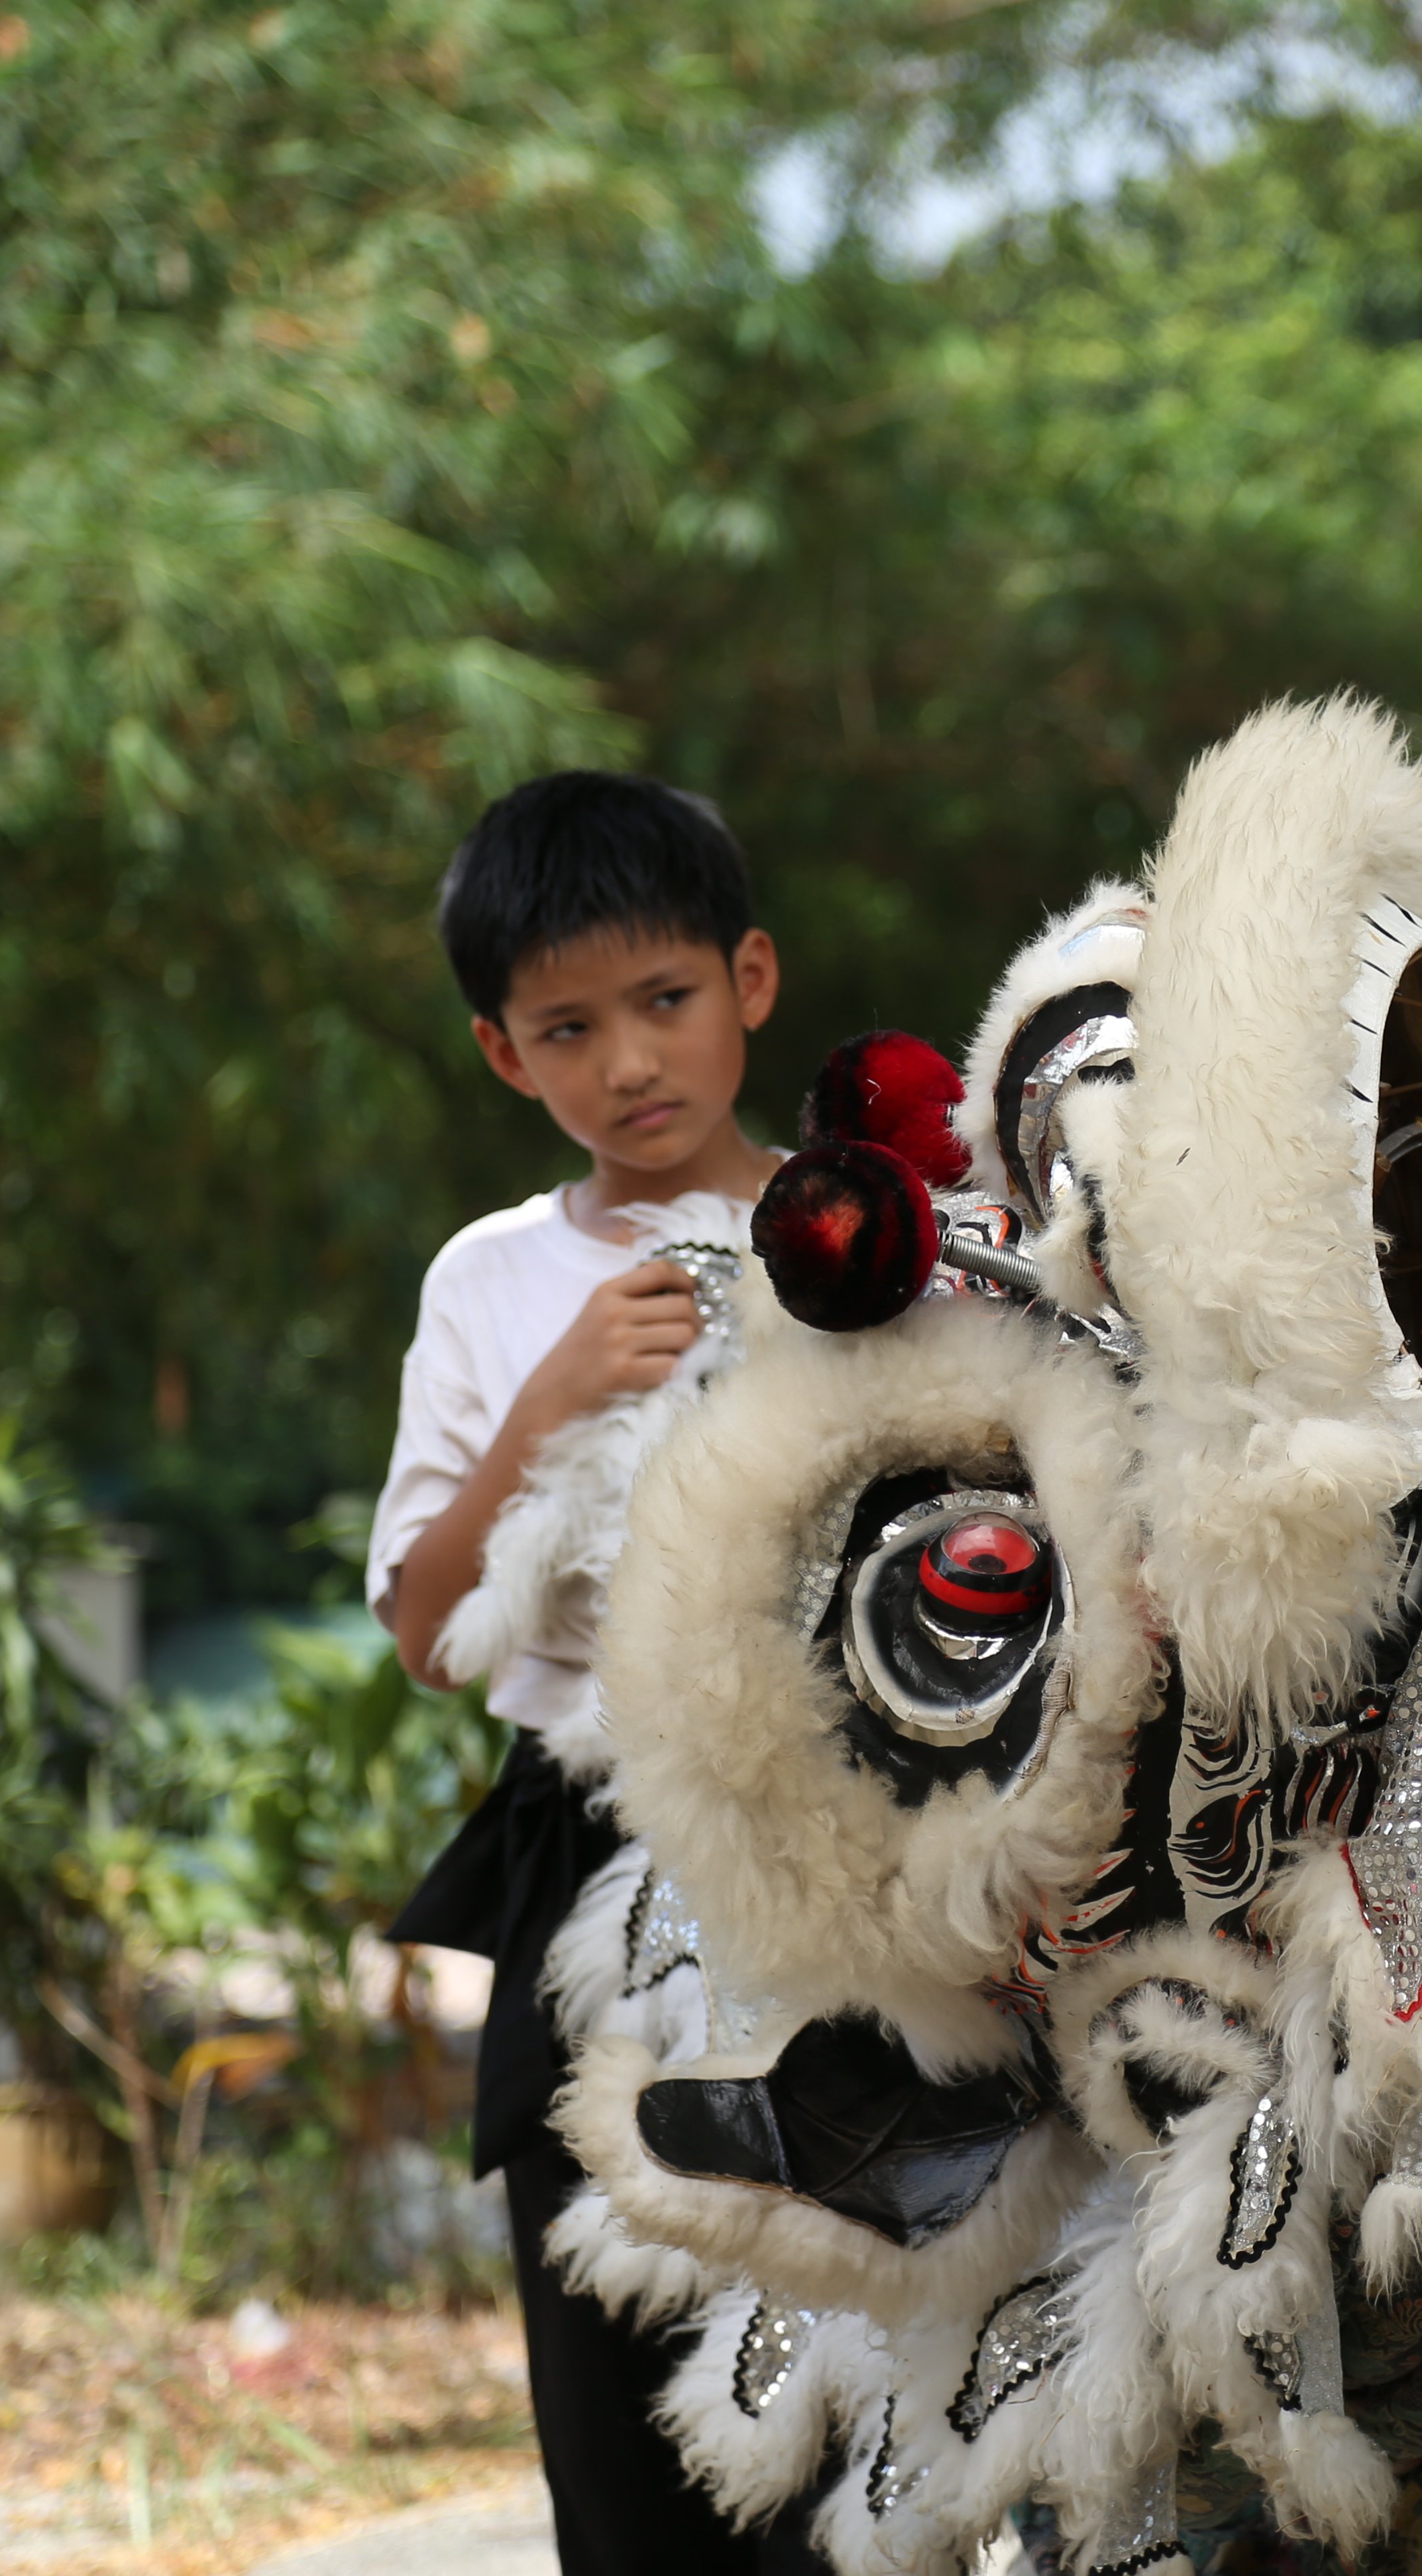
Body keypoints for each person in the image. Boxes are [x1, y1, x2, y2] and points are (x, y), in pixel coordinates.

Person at [366, 771, 799, 2576]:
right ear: (502, 1055)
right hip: (588, 1884)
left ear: (752, 980)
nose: (629, 1061)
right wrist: (552, 1402)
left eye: (665, 1001)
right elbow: (420, 1631)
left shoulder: (876, 1229)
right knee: (622, 2460)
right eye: (569, 1027)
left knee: (850, 2419)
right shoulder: (489, 1282)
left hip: (832, 1880)